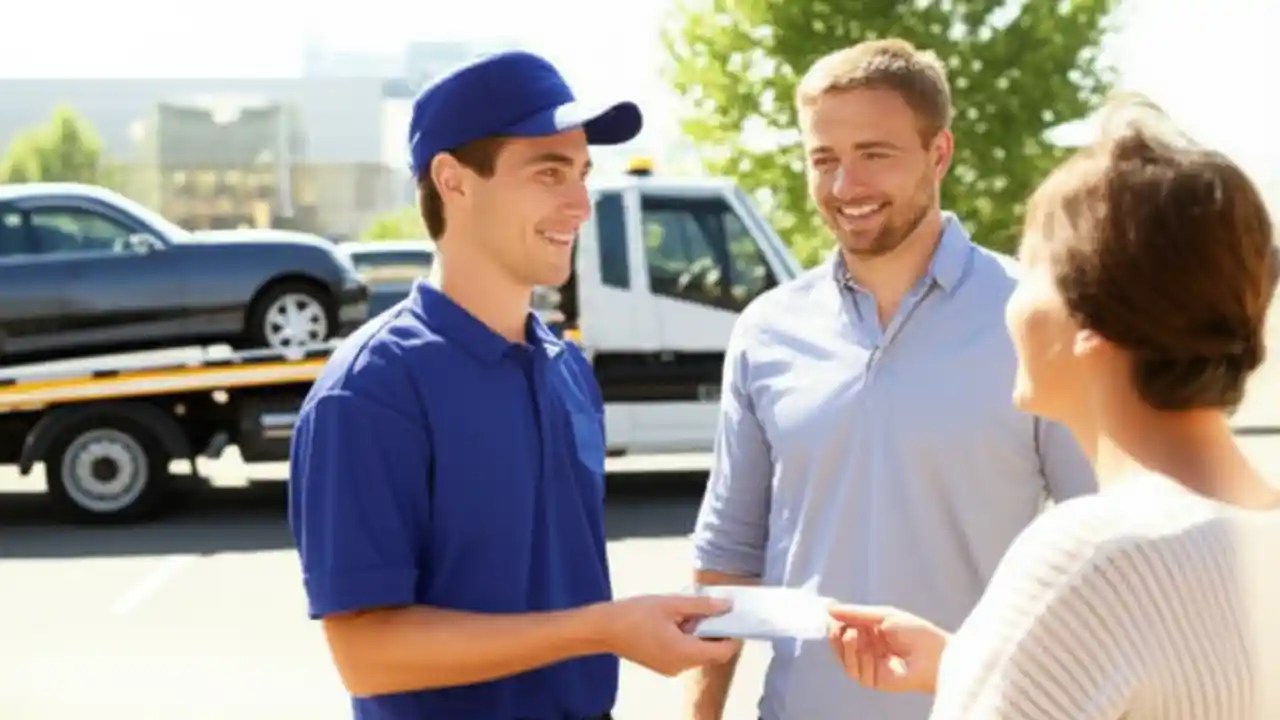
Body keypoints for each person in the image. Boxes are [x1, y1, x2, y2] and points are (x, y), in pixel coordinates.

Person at [287, 50, 737, 720]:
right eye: (550, 172)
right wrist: (603, 629)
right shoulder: (372, 392)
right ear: (454, 181)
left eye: (583, 173)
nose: (581, 204)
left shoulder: (567, 368)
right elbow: (366, 654)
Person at [827, 95, 1280, 718]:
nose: (1009, 298)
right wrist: (973, 662)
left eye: (1033, 266)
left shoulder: (1091, 559)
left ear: (1093, 320)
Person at [683, 38, 1097, 720]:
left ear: (939, 154)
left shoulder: (1036, 315)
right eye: (825, 160)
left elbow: (1097, 546)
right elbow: (728, 551)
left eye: (874, 154)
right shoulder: (766, 330)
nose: (846, 187)